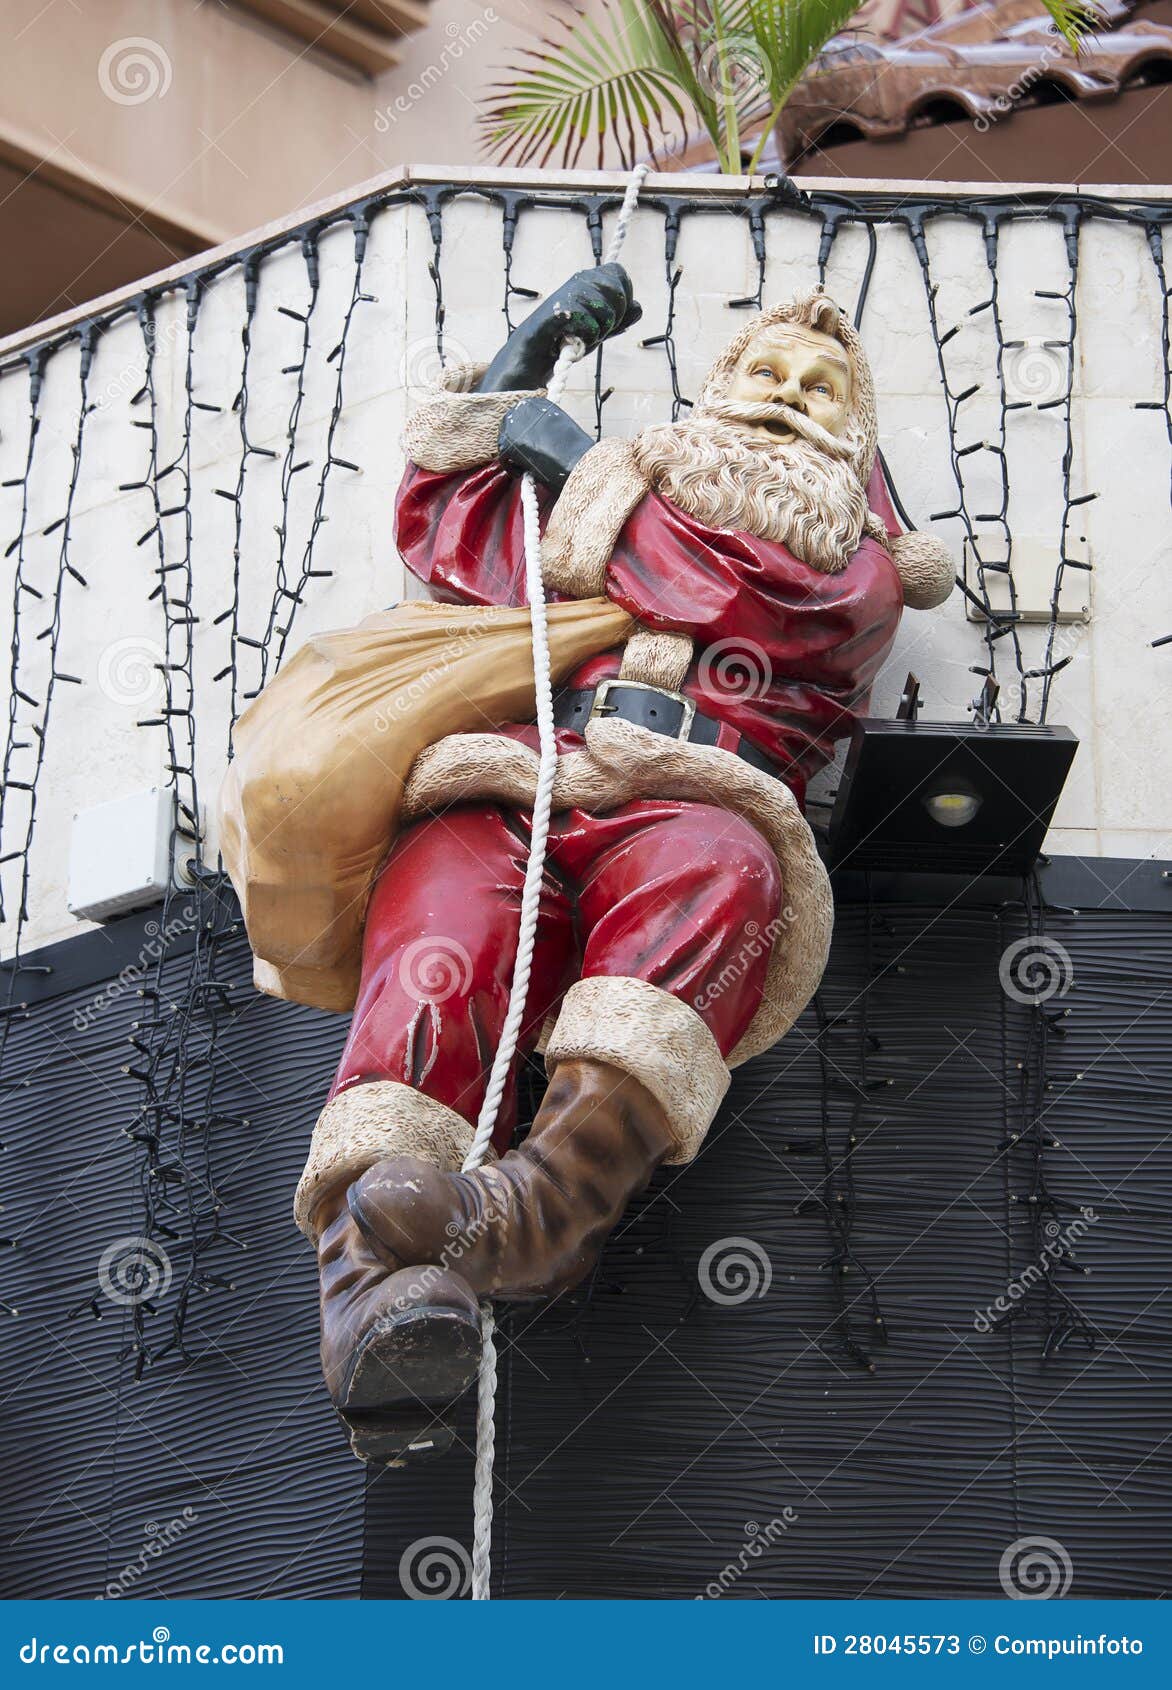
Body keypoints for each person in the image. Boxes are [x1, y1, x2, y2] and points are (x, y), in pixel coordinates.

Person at [298, 267, 954, 1463]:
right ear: (717, 388)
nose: (786, 399)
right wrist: (532, 348)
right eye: (764, 372)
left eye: (818, 389)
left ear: (851, 437)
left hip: (692, 790)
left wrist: (573, 458)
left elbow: (749, 593)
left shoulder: (847, 560)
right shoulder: (607, 491)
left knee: (718, 875)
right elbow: (454, 513)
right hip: (531, 769)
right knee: (442, 904)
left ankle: (541, 1207)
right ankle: (367, 1297)